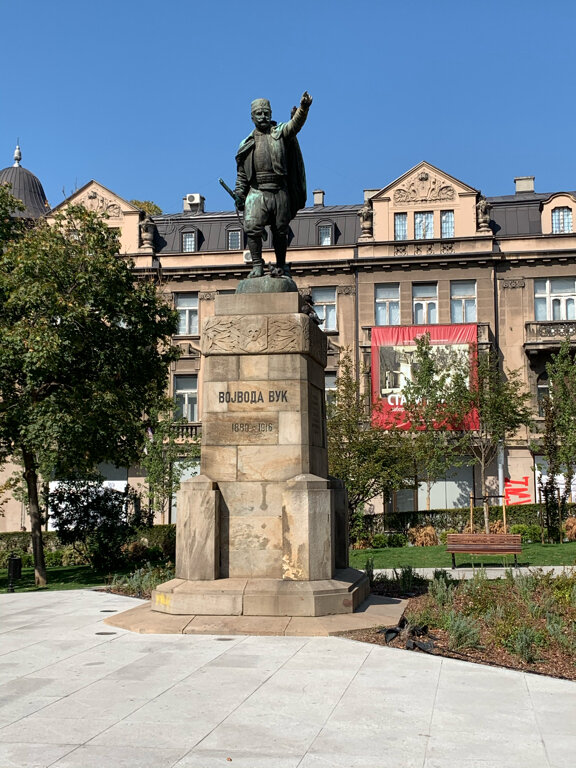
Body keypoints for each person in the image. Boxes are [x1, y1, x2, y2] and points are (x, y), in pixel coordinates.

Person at [234, 91, 312, 278]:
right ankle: (257, 265)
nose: (263, 117)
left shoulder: (280, 132)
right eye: (258, 114)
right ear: (252, 117)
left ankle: (281, 265)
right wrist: (239, 192)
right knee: (252, 228)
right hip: (257, 191)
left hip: (279, 190)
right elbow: (242, 174)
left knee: (280, 230)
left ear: (271, 114)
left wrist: (303, 108)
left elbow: (295, 126)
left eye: (266, 113)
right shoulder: (246, 143)